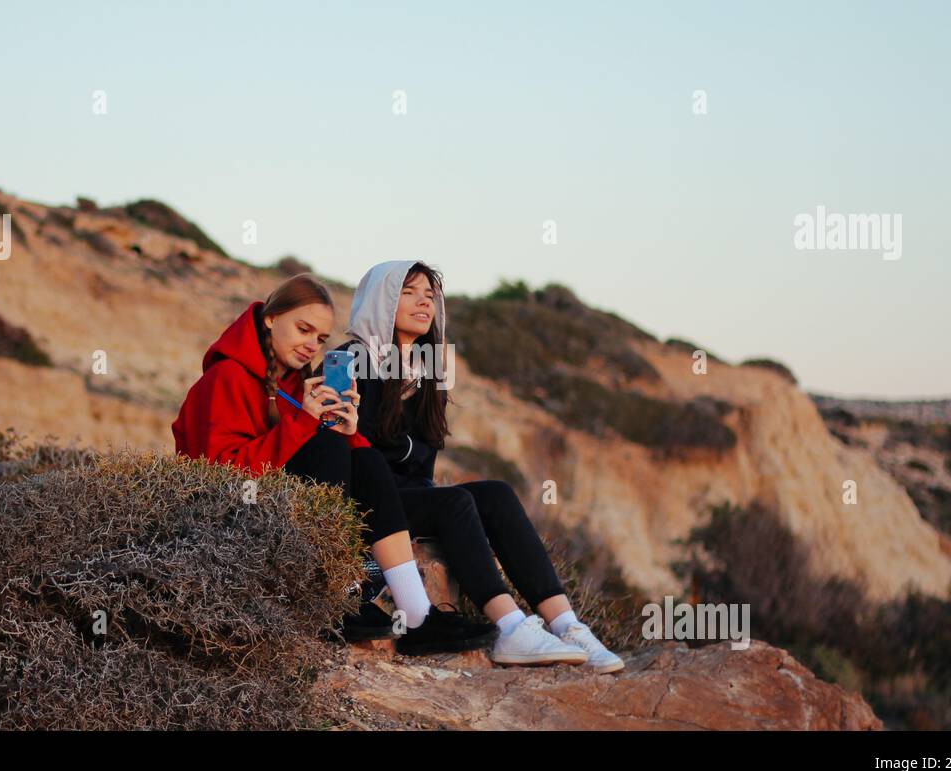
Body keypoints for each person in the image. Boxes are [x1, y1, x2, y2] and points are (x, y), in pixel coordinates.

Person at [171, 273, 496, 655]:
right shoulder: (227, 377)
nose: (312, 346)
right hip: (225, 515)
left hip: (276, 503)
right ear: (270, 318)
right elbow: (224, 472)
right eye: (304, 329)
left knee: (367, 458)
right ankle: (335, 598)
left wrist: (350, 430)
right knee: (328, 449)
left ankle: (417, 616)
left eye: (321, 339)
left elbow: (320, 451)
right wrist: (306, 425)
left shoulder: (294, 383)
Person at [331, 260, 625, 672]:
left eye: (429, 296)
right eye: (410, 292)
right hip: (370, 501)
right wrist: (400, 447)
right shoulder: (350, 359)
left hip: (411, 493)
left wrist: (397, 446)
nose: (423, 303)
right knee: (454, 504)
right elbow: (355, 447)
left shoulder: (427, 366)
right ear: (382, 300)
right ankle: (509, 626)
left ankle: (568, 624)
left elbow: (421, 454)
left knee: (497, 495)